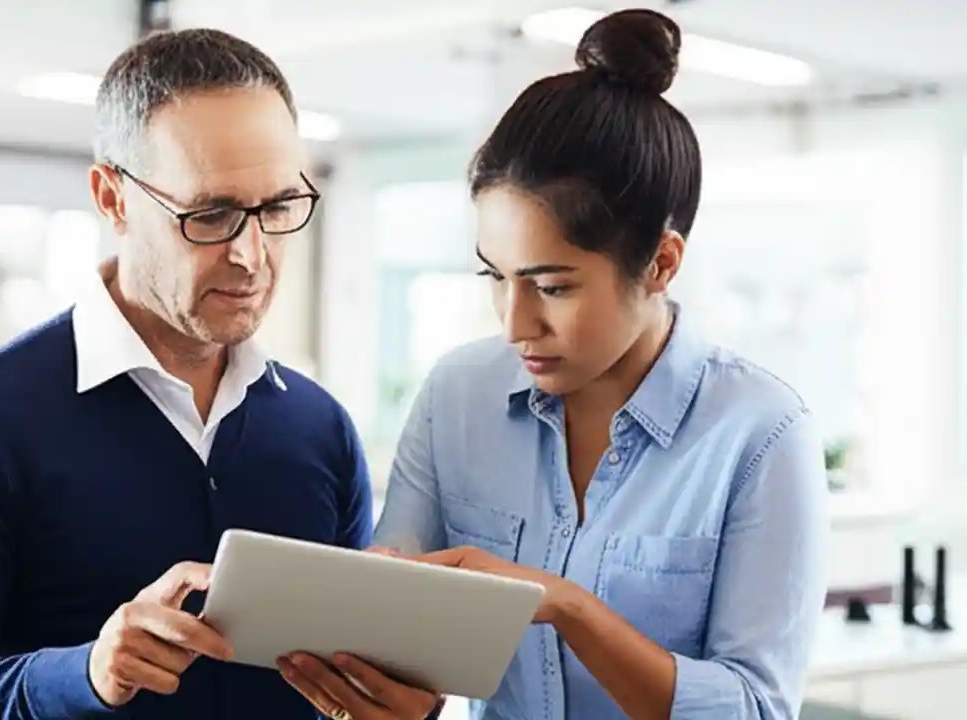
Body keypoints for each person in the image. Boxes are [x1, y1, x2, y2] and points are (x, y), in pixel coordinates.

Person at [278, 9, 827, 720]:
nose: (515, 323)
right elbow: (397, 632)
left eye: (553, 286)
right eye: (494, 277)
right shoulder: (457, 396)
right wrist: (376, 688)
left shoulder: (761, 435)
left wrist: (565, 607)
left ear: (661, 263)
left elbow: (757, 708)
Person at [0, 29, 374, 719]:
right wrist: (87, 674)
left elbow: (347, 683)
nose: (251, 256)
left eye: (278, 208)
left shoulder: (320, 427)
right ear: (112, 199)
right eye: (212, 215)